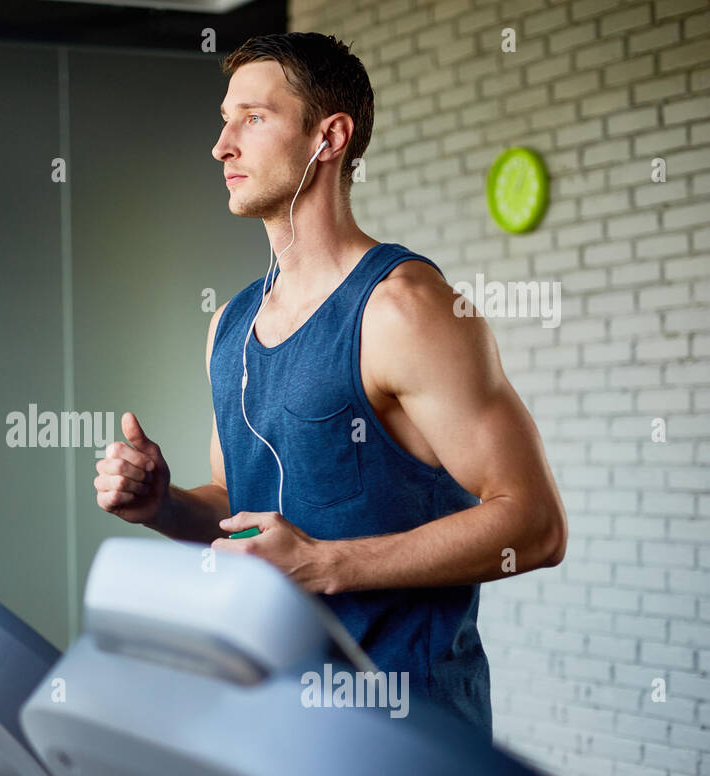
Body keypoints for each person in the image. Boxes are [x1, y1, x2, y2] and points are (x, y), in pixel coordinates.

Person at [93, 32, 567, 737]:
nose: (223, 145)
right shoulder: (230, 326)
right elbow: (237, 510)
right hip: (274, 727)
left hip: (410, 747)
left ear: (330, 137)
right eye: (225, 121)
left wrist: (324, 564)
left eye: (253, 119)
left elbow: (534, 524)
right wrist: (163, 505)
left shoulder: (405, 309)